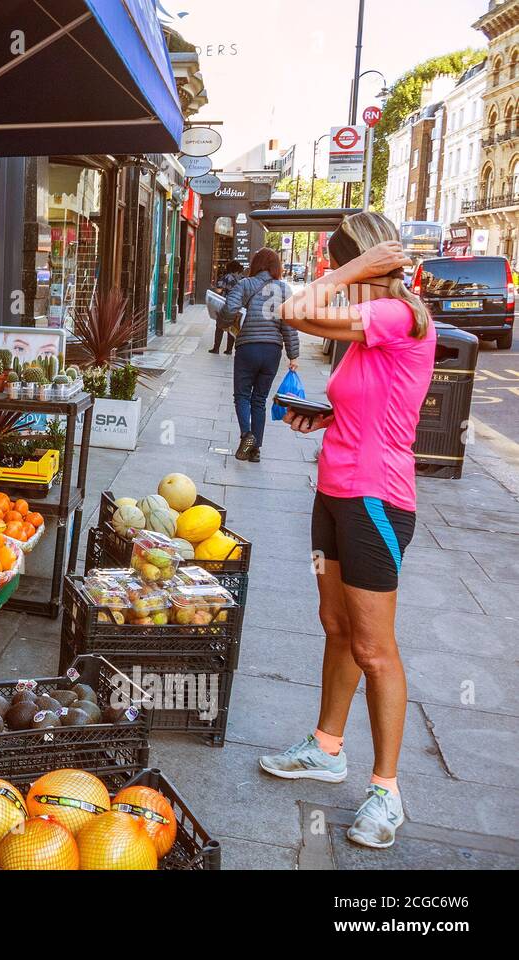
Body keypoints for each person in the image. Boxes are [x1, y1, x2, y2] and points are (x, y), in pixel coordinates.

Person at [261, 211, 435, 850]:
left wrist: (354, 269)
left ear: (369, 265)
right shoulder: (366, 333)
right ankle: (327, 747)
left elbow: (293, 311)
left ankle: (387, 789)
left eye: (343, 263)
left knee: (374, 648)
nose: (336, 276)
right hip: (334, 496)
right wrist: (328, 417)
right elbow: (308, 320)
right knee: (335, 626)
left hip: (376, 505)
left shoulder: (398, 316)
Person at [224, 248, 298, 462]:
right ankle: (255, 450)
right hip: (272, 350)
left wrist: (225, 323)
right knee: (259, 399)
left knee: (242, 396)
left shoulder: (245, 284)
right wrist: (293, 355)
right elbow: (289, 325)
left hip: (248, 347)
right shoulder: (284, 289)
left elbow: (229, 308)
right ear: (277, 267)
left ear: (255, 264)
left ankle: (246, 435)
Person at [208, 260, 245, 354]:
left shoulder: (227, 277)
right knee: (232, 327)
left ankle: (216, 348)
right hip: (237, 306)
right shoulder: (242, 279)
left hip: (226, 305)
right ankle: (229, 350)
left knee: (219, 326)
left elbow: (219, 289)